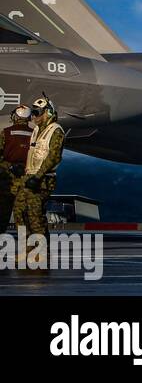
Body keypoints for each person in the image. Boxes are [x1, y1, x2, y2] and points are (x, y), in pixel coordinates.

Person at [14, 97, 64, 261]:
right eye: (33, 112)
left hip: (43, 179)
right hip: (29, 176)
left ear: (47, 113)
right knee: (20, 211)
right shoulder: (36, 130)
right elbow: (34, 153)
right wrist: (24, 167)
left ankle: (41, 251)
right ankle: (26, 248)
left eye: (37, 112)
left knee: (35, 213)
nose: (33, 116)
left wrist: (37, 176)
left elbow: (53, 157)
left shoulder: (55, 130)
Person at [1, 105, 33, 230]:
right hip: (26, 179)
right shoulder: (34, 135)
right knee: (22, 215)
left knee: (3, 213)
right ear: (29, 118)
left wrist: (7, 167)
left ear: (15, 117)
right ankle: (26, 246)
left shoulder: (6, 133)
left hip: (7, 179)